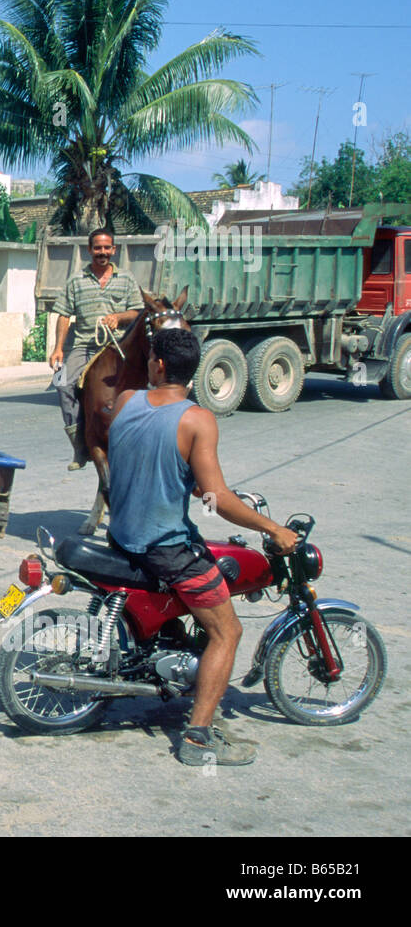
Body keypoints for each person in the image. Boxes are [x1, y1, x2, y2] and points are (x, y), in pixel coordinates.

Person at [107, 328, 299, 767]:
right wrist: (272, 529)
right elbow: (218, 499)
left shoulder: (125, 401)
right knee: (227, 631)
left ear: (157, 365)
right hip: (163, 546)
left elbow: (140, 454)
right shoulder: (197, 420)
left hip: (121, 535)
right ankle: (197, 738)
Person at [49, 228, 143, 470]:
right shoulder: (76, 280)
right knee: (61, 382)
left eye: (106, 248)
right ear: (90, 250)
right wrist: (58, 348)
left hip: (117, 345)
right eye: (97, 248)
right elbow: (63, 315)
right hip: (84, 345)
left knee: (146, 387)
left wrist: (119, 317)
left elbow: (137, 312)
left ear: (114, 250)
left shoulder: (127, 278)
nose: (102, 252)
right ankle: (79, 445)